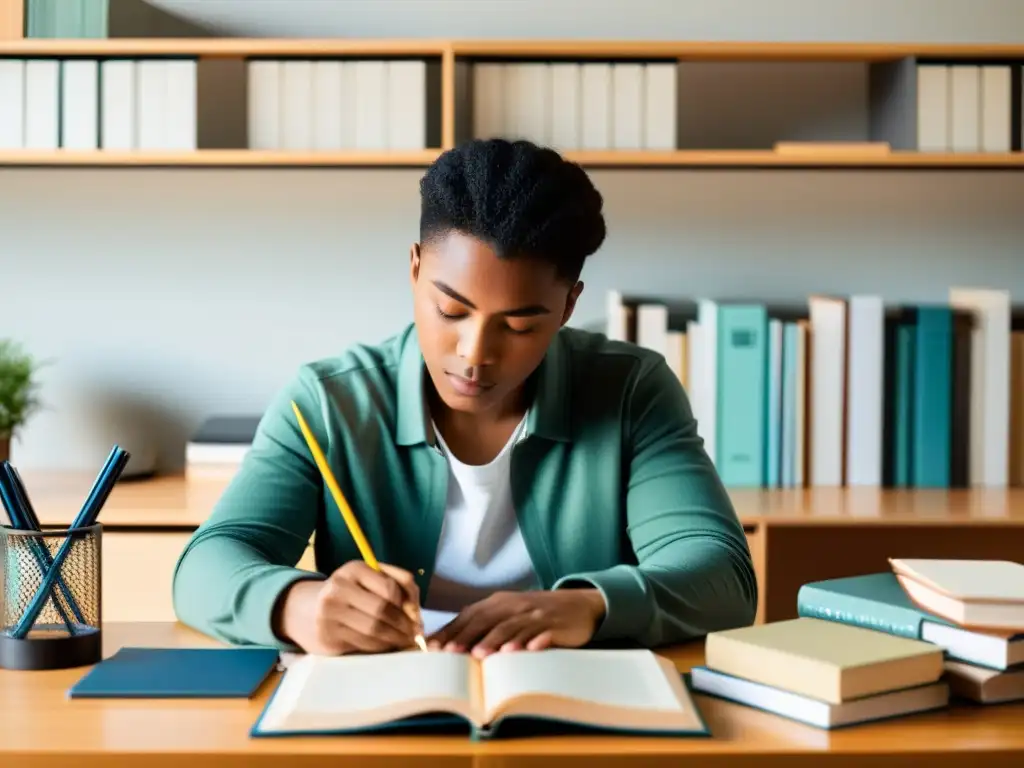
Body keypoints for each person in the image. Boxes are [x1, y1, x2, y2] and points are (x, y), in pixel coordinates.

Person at [172, 138, 757, 660]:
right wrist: (298, 605)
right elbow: (205, 564)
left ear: (569, 306)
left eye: (521, 325)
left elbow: (721, 576)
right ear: (415, 268)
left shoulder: (631, 391)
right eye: (450, 311)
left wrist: (591, 606)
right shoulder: (329, 401)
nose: (476, 353)